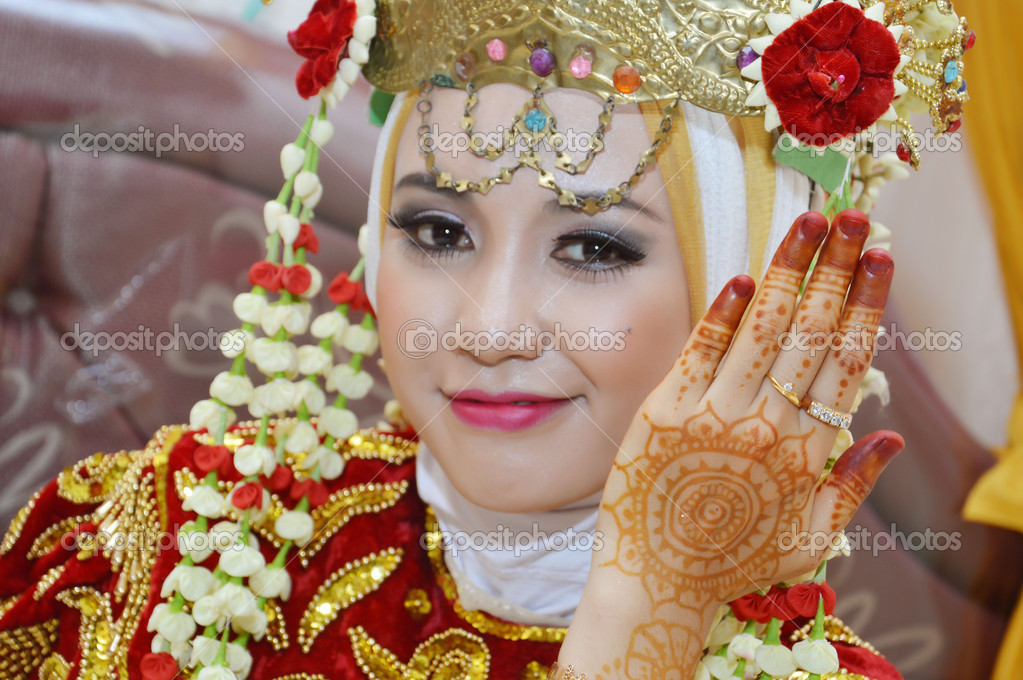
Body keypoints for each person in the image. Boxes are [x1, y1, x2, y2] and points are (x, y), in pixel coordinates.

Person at [0, 0, 972, 678]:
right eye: (436, 233)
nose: (489, 325)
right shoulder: (178, 542)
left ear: (767, 299)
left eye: (592, 246)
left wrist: (652, 610)